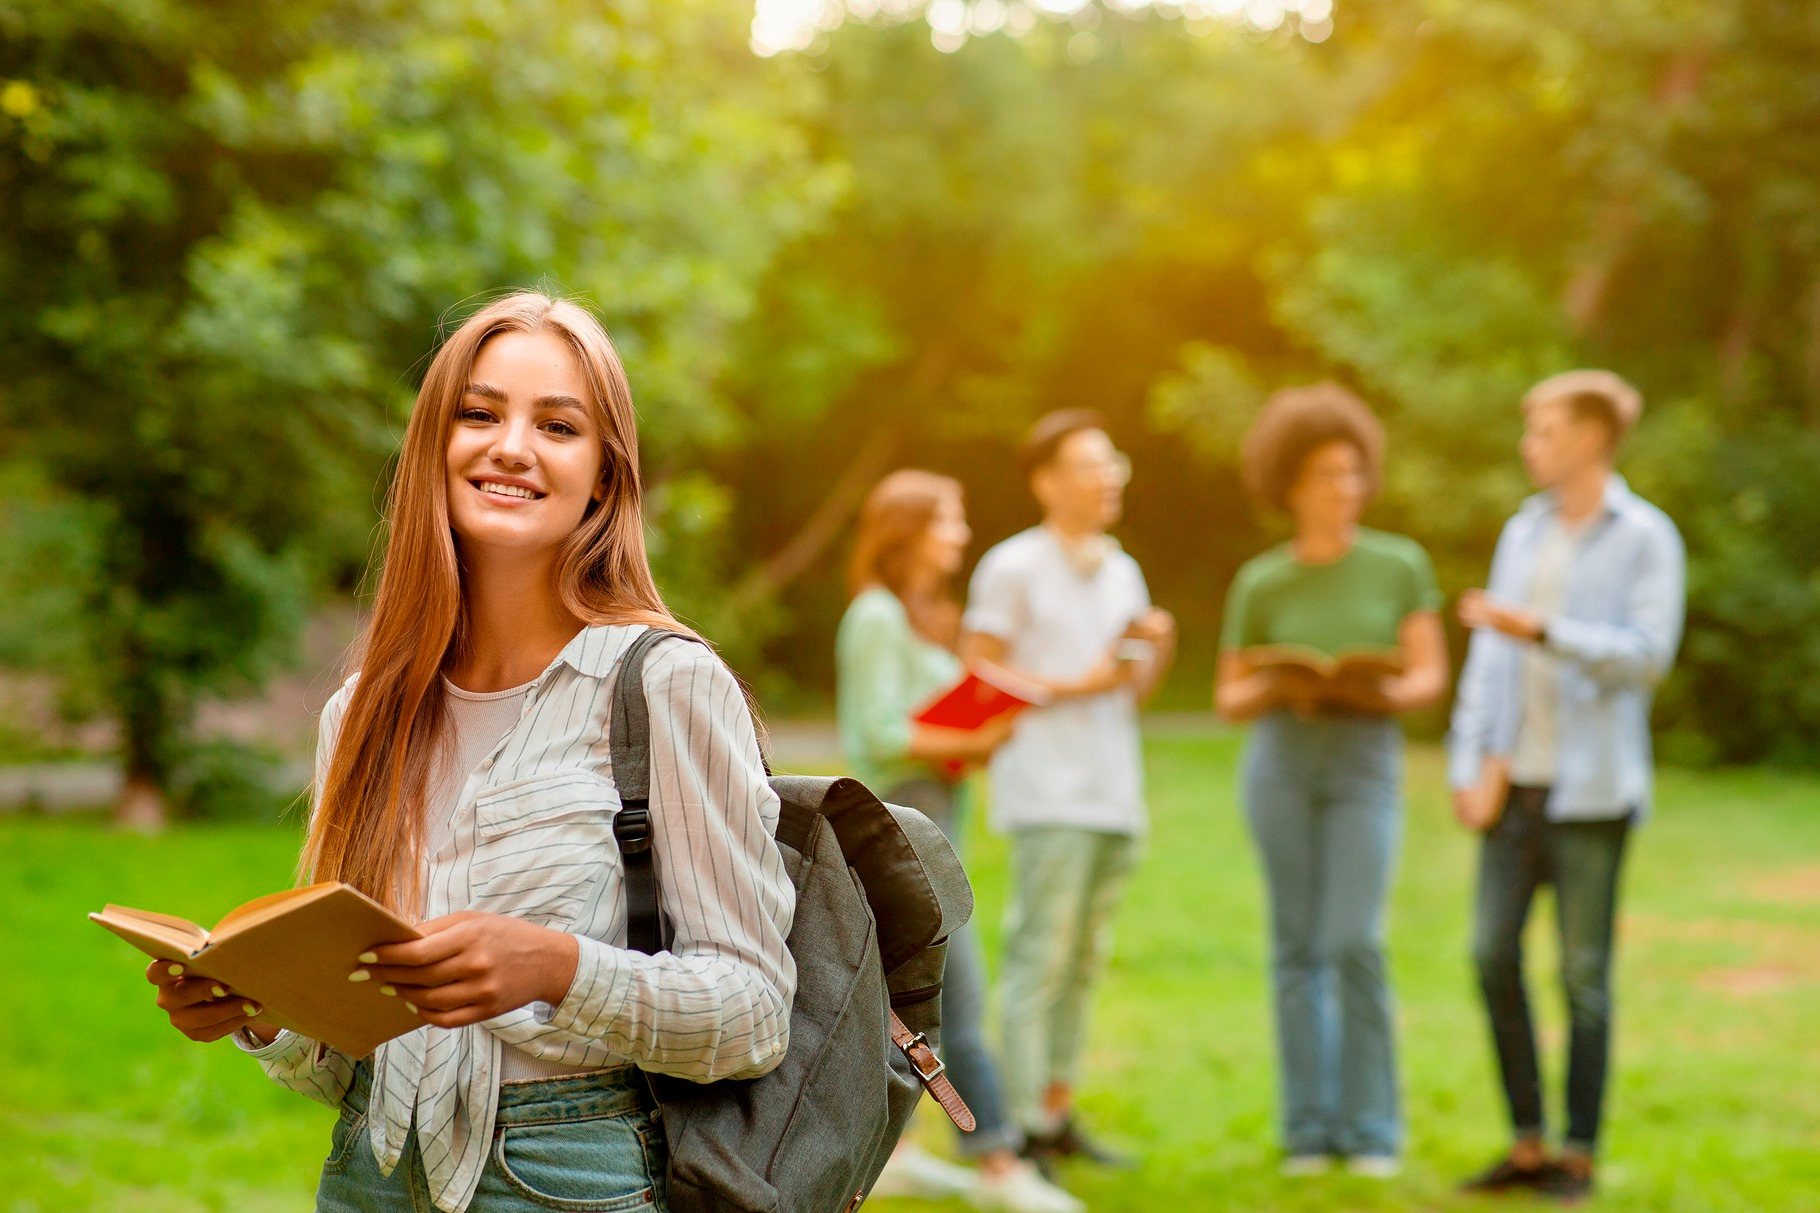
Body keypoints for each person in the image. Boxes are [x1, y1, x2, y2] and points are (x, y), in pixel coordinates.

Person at [142, 292, 795, 1213]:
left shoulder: (662, 685)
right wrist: (262, 1011)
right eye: (479, 413)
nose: (511, 445)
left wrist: (555, 966)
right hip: (367, 1174)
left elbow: (756, 1012)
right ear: (433, 448)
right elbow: (348, 1058)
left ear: (605, 476)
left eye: (558, 425)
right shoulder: (365, 712)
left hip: (566, 1178)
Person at [1450, 370, 1685, 1204]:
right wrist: (1466, 765)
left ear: (1588, 436)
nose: (1529, 445)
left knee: (1585, 977)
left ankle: (1577, 1154)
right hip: (1513, 786)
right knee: (1489, 955)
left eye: (1543, 429)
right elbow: (1488, 660)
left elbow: (1647, 654)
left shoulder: (1645, 537)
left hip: (1594, 791)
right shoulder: (1523, 533)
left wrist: (1544, 630)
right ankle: (1523, 1143)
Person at [1214, 384, 1449, 1179]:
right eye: (1325, 474)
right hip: (1282, 758)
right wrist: (1284, 684)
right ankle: (1309, 1128)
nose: (1344, 488)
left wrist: (1372, 688)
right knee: (1296, 944)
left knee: (1354, 940)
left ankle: (1373, 1127)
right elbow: (1229, 696)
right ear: (1290, 483)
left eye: (1354, 473)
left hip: (1364, 758)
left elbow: (1429, 676)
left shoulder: (1398, 564)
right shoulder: (1262, 581)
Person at [836, 469, 1085, 1213]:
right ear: (906, 531)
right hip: (903, 820)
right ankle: (1000, 1162)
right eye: (948, 520)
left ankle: (897, 1152)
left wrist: (977, 731)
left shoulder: (917, 616)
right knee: (961, 990)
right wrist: (970, 738)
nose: (961, 535)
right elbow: (878, 733)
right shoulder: (876, 615)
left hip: (936, 817)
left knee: (912, 996)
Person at [958, 410, 1176, 1177]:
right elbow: (979, 677)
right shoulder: (1012, 566)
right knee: (1040, 958)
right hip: (1048, 791)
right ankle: (1017, 1128)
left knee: (1084, 961)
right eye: (1089, 463)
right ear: (1046, 481)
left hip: (1115, 789)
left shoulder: (1121, 567)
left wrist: (1158, 649)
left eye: (1112, 459)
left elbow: (1129, 691)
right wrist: (1085, 682)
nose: (1109, 474)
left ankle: (1055, 1112)